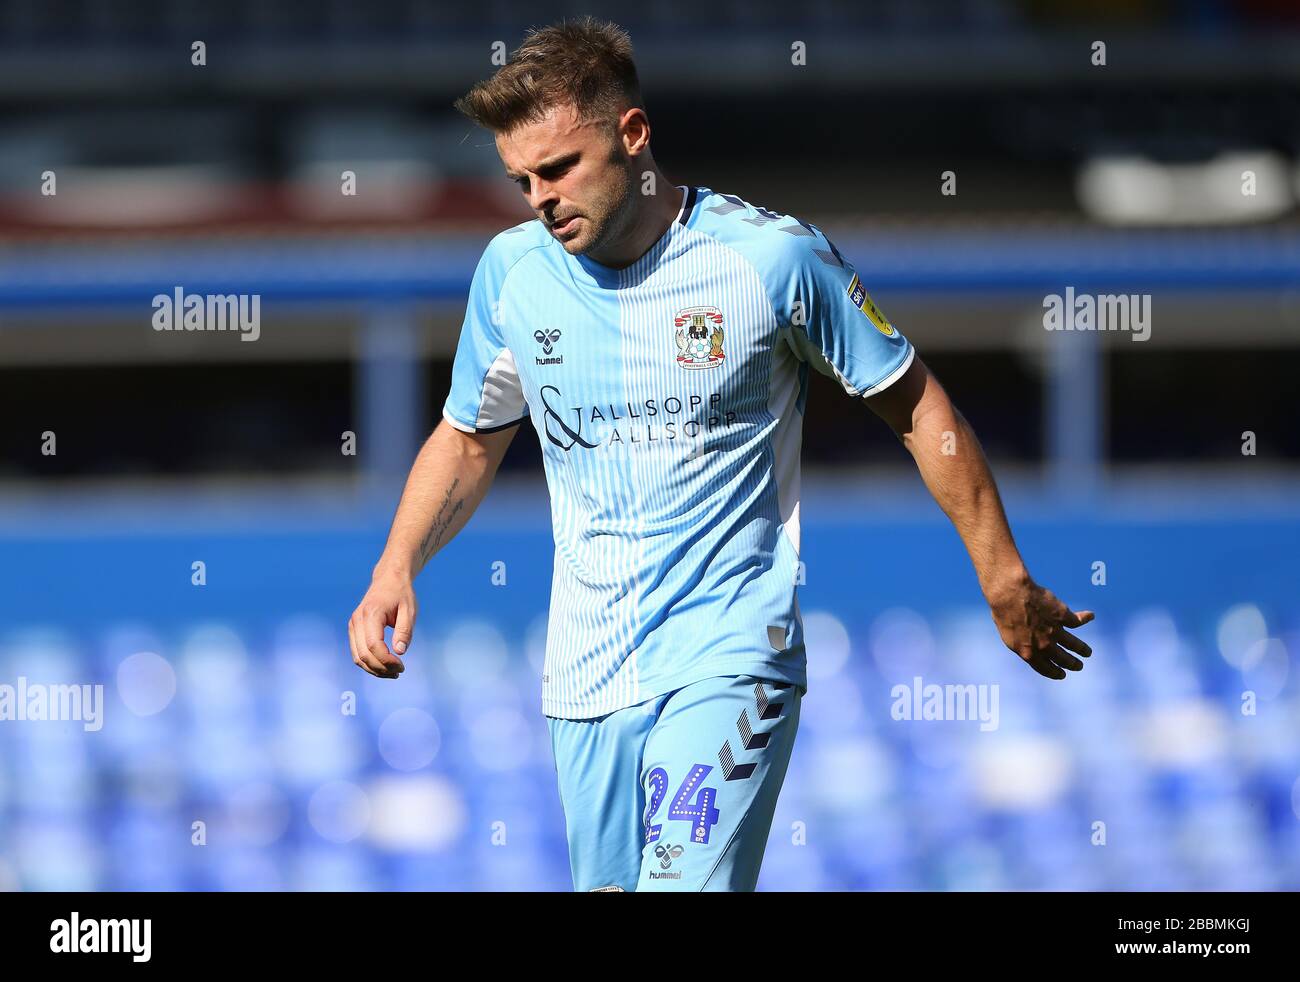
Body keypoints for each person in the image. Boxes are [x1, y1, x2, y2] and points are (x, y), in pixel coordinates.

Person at [347, 16, 1094, 892]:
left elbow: (917, 401)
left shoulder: (771, 259)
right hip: (585, 674)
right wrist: (398, 564)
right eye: (521, 181)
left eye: (558, 169)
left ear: (633, 135)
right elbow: (471, 439)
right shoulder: (513, 274)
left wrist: (1001, 572)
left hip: (732, 650)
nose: (541, 198)